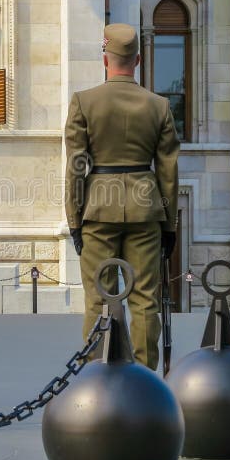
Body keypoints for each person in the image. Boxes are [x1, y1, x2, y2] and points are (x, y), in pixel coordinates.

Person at [64, 23, 180, 370]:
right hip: (146, 210)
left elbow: (76, 168)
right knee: (146, 300)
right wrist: (169, 224)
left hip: (98, 210)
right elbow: (168, 171)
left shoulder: (85, 102)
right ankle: (145, 380)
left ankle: (97, 376)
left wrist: (74, 220)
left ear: (105, 59)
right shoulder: (158, 105)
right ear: (138, 59)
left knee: (99, 298)